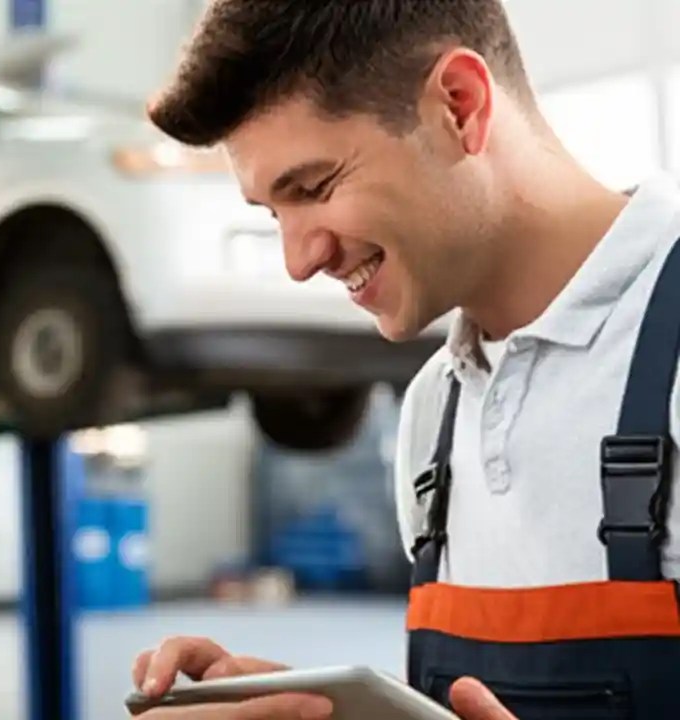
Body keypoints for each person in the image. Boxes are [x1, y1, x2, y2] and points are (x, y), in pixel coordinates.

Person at [129, 1, 680, 718]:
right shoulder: (433, 414)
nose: (299, 261)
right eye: (273, 213)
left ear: (460, 105)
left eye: (315, 188)